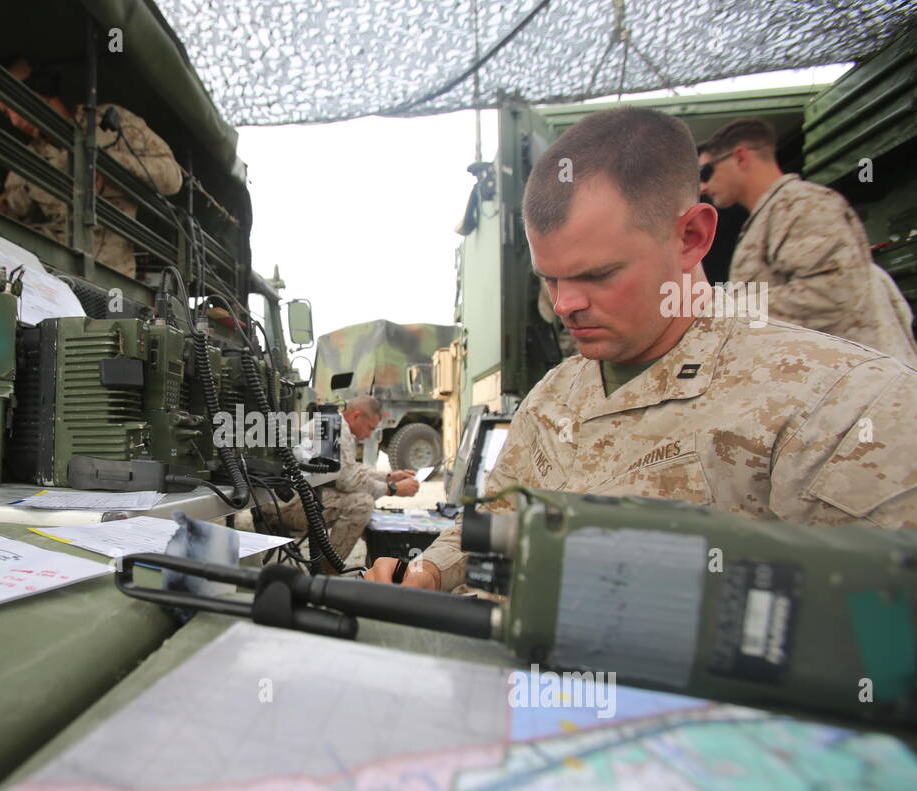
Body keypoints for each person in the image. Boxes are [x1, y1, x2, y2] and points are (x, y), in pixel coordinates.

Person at [368, 106, 917, 591]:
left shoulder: (841, 404)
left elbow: (875, 647)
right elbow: (492, 522)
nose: (564, 304)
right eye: (550, 280)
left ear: (692, 237)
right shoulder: (556, 394)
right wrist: (431, 573)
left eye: (598, 275)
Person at [697, 117, 916, 362]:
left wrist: (722, 311)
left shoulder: (803, 204)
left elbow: (830, 293)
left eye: (706, 172)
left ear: (740, 157)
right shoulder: (774, 214)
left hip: (857, 384)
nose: (703, 186)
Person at [0, 55, 184, 278]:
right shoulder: (26, 160)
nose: (14, 121)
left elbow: (172, 177)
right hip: (52, 280)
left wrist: (107, 168)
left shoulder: (106, 122)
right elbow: (22, 221)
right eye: (6, 113)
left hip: (109, 280)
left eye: (14, 106)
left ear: (42, 88)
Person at [277, 395, 419, 570]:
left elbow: (349, 470)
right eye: (370, 428)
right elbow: (348, 481)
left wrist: (388, 477)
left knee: (360, 497)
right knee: (361, 504)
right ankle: (327, 571)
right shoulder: (335, 428)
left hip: (289, 499)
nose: (368, 435)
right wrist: (392, 489)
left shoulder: (337, 425)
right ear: (356, 416)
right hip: (284, 505)